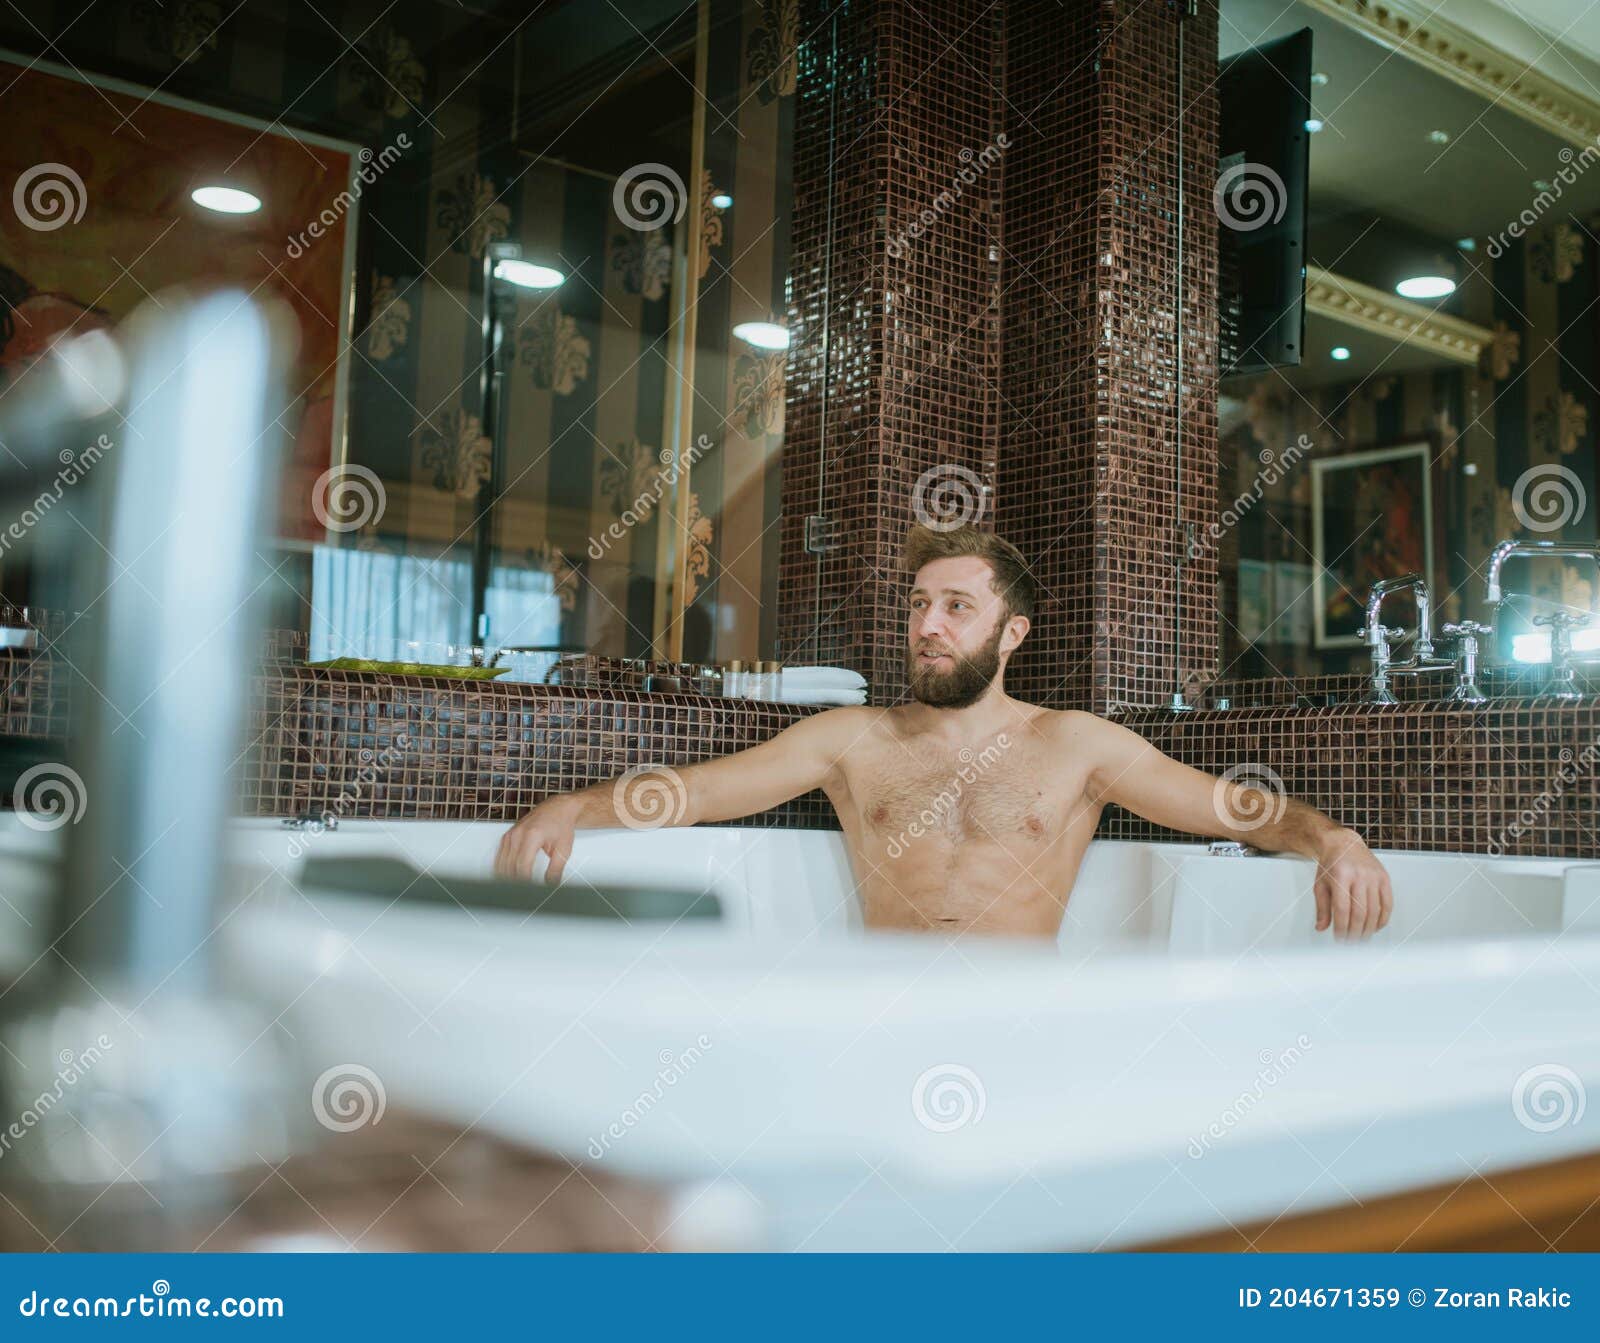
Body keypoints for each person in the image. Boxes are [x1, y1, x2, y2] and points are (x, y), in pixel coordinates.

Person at [496, 523, 1392, 940]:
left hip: (1020, 1026)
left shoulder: (1080, 745)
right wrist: (572, 808)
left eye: (957, 606)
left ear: (1011, 633)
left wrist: (1334, 839)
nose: (928, 624)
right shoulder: (852, 739)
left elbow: (1233, 807)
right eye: (920, 604)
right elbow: (697, 793)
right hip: (879, 1015)